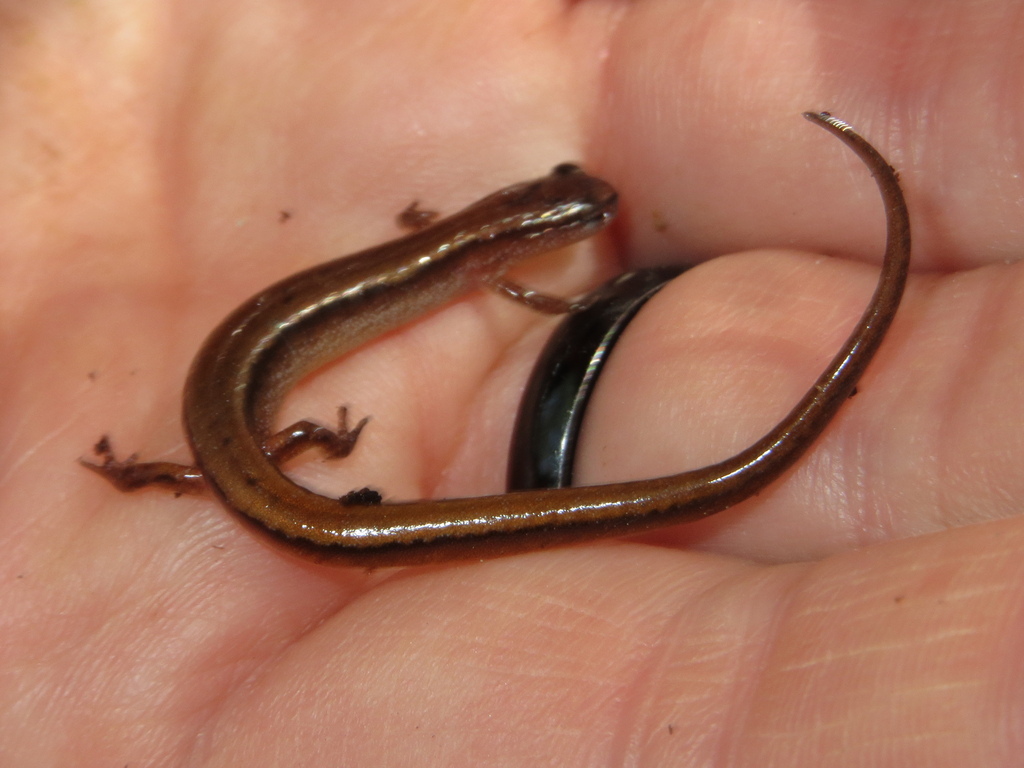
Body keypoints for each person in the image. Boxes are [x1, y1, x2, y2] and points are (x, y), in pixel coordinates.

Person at [1, 2, 1019, 764]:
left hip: (239, 425)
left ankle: (174, 475)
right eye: (567, 222)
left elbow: (442, 246)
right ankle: (191, 476)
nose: (584, 223)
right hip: (246, 441)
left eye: (574, 216)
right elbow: (473, 265)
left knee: (238, 468)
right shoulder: (471, 260)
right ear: (515, 231)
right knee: (247, 468)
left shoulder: (461, 250)